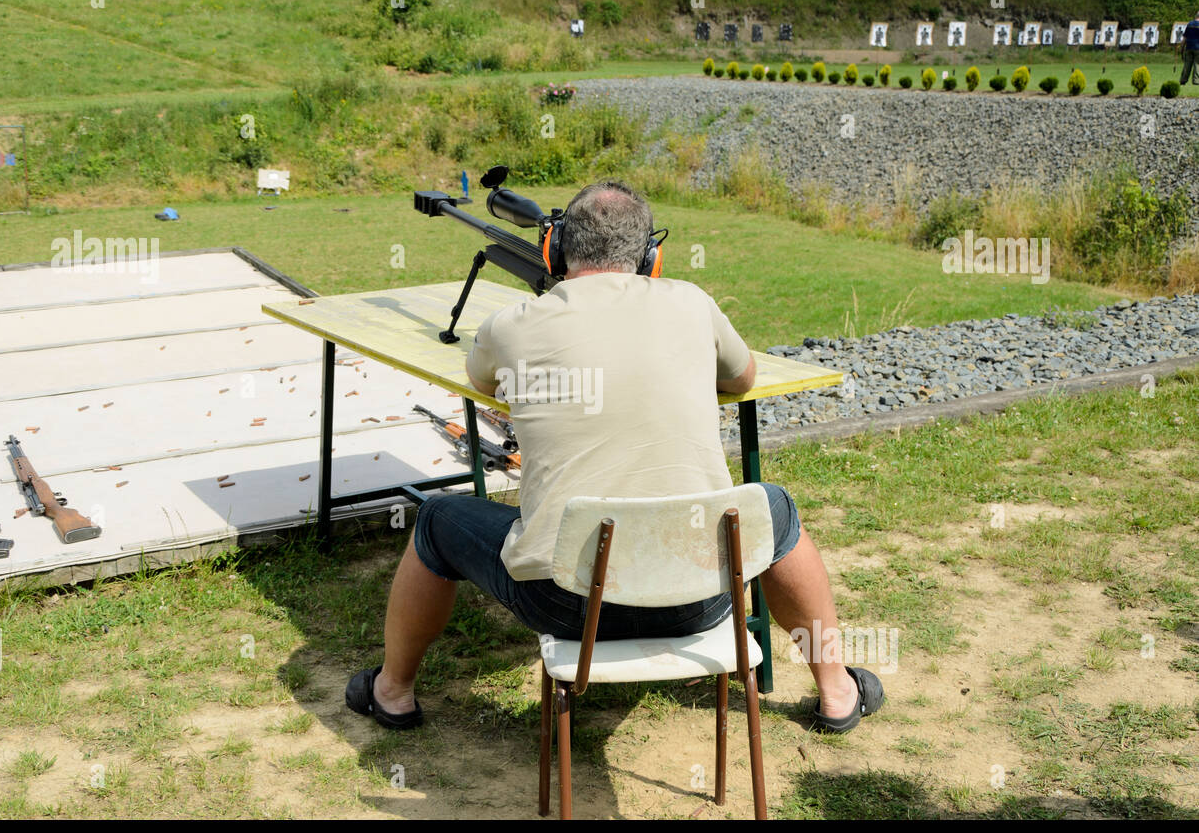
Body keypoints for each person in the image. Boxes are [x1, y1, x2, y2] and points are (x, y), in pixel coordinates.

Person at [346, 181, 884, 737]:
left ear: (553, 250)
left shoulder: (510, 324)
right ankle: (837, 690)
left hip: (564, 603)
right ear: (651, 257)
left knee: (436, 520)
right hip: (700, 597)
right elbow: (742, 377)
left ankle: (393, 692)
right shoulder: (691, 302)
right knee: (775, 509)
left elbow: (482, 380)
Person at [1181, 13, 1199, 85]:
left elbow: (1185, 37)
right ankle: (1196, 81)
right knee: (1197, 65)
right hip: (1198, 48)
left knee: (1187, 65)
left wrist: (1182, 47)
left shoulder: (1189, 24)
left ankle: (1183, 80)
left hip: (1189, 47)